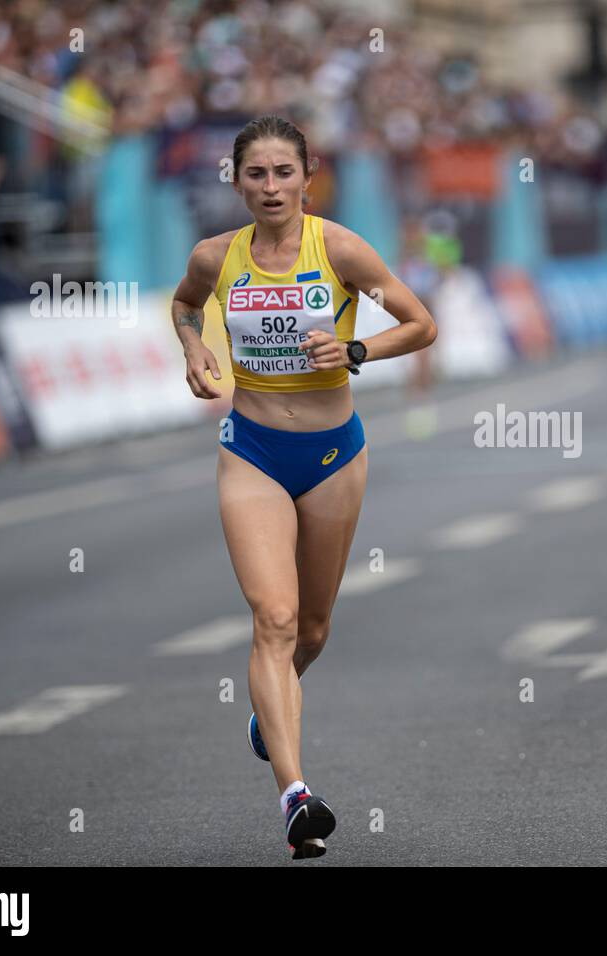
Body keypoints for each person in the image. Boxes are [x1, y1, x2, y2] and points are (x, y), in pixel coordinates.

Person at [169, 115, 437, 859]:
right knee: (274, 617)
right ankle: (295, 794)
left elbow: (421, 324)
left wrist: (355, 347)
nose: (270, 187)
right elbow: (184, 305)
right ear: (236, 182)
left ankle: (269, 708)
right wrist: (193, 349)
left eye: (283, 172)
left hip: (332, 457)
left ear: (306, 177)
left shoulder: (340, 248)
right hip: (250, 450)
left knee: (312, 631)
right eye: (255, 174)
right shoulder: (216, 258)